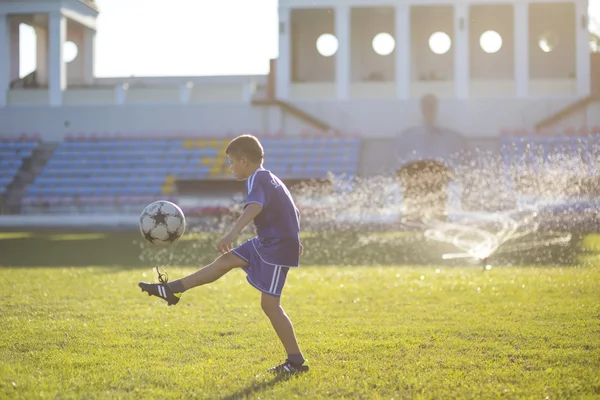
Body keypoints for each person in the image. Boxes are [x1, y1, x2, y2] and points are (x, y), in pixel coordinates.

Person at [138, 134, 309, 374]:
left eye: (231, 162)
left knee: (270, 305)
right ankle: (171, 289)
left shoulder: (255, 179)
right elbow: (293, 210)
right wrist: (295, 237)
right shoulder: (270, 178)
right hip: (269, 242)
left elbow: (255, 206)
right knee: (226, 261)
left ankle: (295, 361)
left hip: (275, 248)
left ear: (244, 161)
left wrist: (232, 233)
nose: (230, 167)